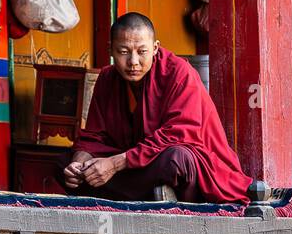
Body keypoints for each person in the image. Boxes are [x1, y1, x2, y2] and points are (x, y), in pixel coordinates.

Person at [61, 12, 251, 203]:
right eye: (124, 52)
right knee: (64, 162)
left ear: (155, 48)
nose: (133, 62)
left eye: (142, 52)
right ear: (111, 49)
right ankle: (150, 193)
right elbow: (95, 136)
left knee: (176, 159)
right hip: (137, 165)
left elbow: (179, 134)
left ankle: (126, 193)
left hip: (169, 163)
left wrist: (115, 164)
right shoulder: (107, 78)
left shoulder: (179, 73)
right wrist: (78, 164)